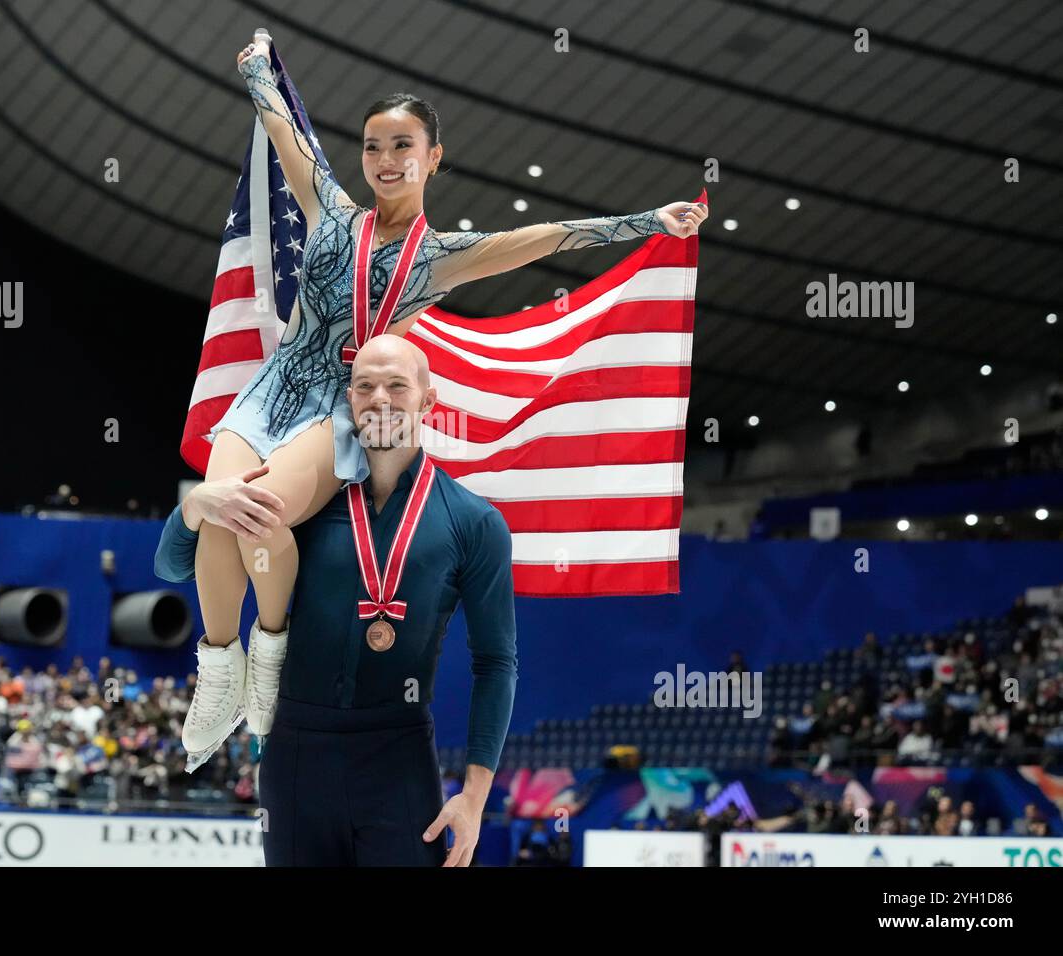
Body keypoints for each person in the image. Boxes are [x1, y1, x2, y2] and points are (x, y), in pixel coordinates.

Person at [177, 30, 708, 767]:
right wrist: (258, 66)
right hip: (270, 394)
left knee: (258, 513)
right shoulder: (331, 212)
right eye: (372, 146)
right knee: (220, 503)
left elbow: (547, 238)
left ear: (433, 158)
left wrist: (651, 221)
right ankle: (217, 666)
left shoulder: (444, 257)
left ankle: (269, 650)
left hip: (337, 411)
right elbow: (280, 128)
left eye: (402, 146)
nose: (385, 161)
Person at [157, 335, 517, 866]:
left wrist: (475, 795)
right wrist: (197, 506)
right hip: (296, 755)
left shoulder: (473, 521)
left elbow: (496, 661)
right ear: (348, 399)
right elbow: (170, 566)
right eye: (365, 385)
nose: (380, 398)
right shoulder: (304, 501)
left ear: (428, 400)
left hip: (398, 757)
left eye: (398, 385)